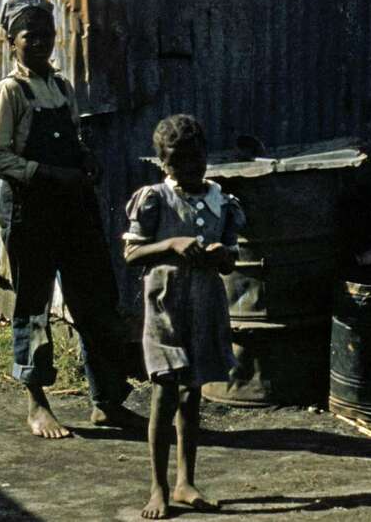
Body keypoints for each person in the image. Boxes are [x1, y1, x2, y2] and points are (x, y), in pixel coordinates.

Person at [0, 0, 139, 438]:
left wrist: (86, 158)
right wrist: (44, 172)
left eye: (47, 35)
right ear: (11, 41)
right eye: (30, 36)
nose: (40, 43)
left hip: (74, 206)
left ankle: (107, 401)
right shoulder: (10, 92)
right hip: (30, 210)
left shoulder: (62, 87)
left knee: (95, 299)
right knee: (33, 305)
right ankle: (36, 403)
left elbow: (72, 136)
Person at [123, 114, 242, 519]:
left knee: (192, 395)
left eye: (195, 159)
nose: (187, 168)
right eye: (176, 162)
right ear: (162, 163)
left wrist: (223, 257)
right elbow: (132, 253)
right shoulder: (155, 198)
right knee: (164, 393)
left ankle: (185, 481)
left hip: (205, 306)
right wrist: (172, 243)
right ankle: (157, 487)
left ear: (206, 156)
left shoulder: (221, 201)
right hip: (165, 310)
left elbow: (231, 258)